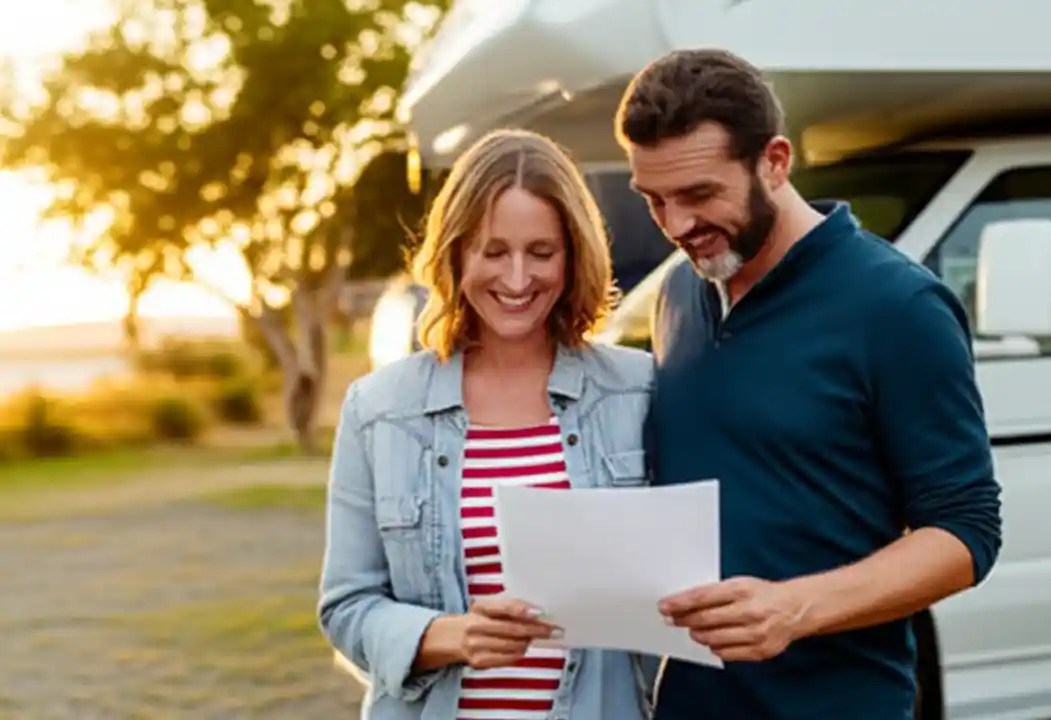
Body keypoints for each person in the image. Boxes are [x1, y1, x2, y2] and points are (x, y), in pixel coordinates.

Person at [614, 49, 1004, 719]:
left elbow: (966, 532)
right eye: (655, 201)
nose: (677, 226)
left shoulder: (898, 306)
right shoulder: (679, 291)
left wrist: (793, 608)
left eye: (701, 195)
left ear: (775, 161)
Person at [318, 127, 655, 720]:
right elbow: (346, 607)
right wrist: (450, 636)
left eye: (542, 253)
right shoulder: (379, 410)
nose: (518, 279)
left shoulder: (640, 390)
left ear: (574, 255)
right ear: (455, 252)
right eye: (494, 252)